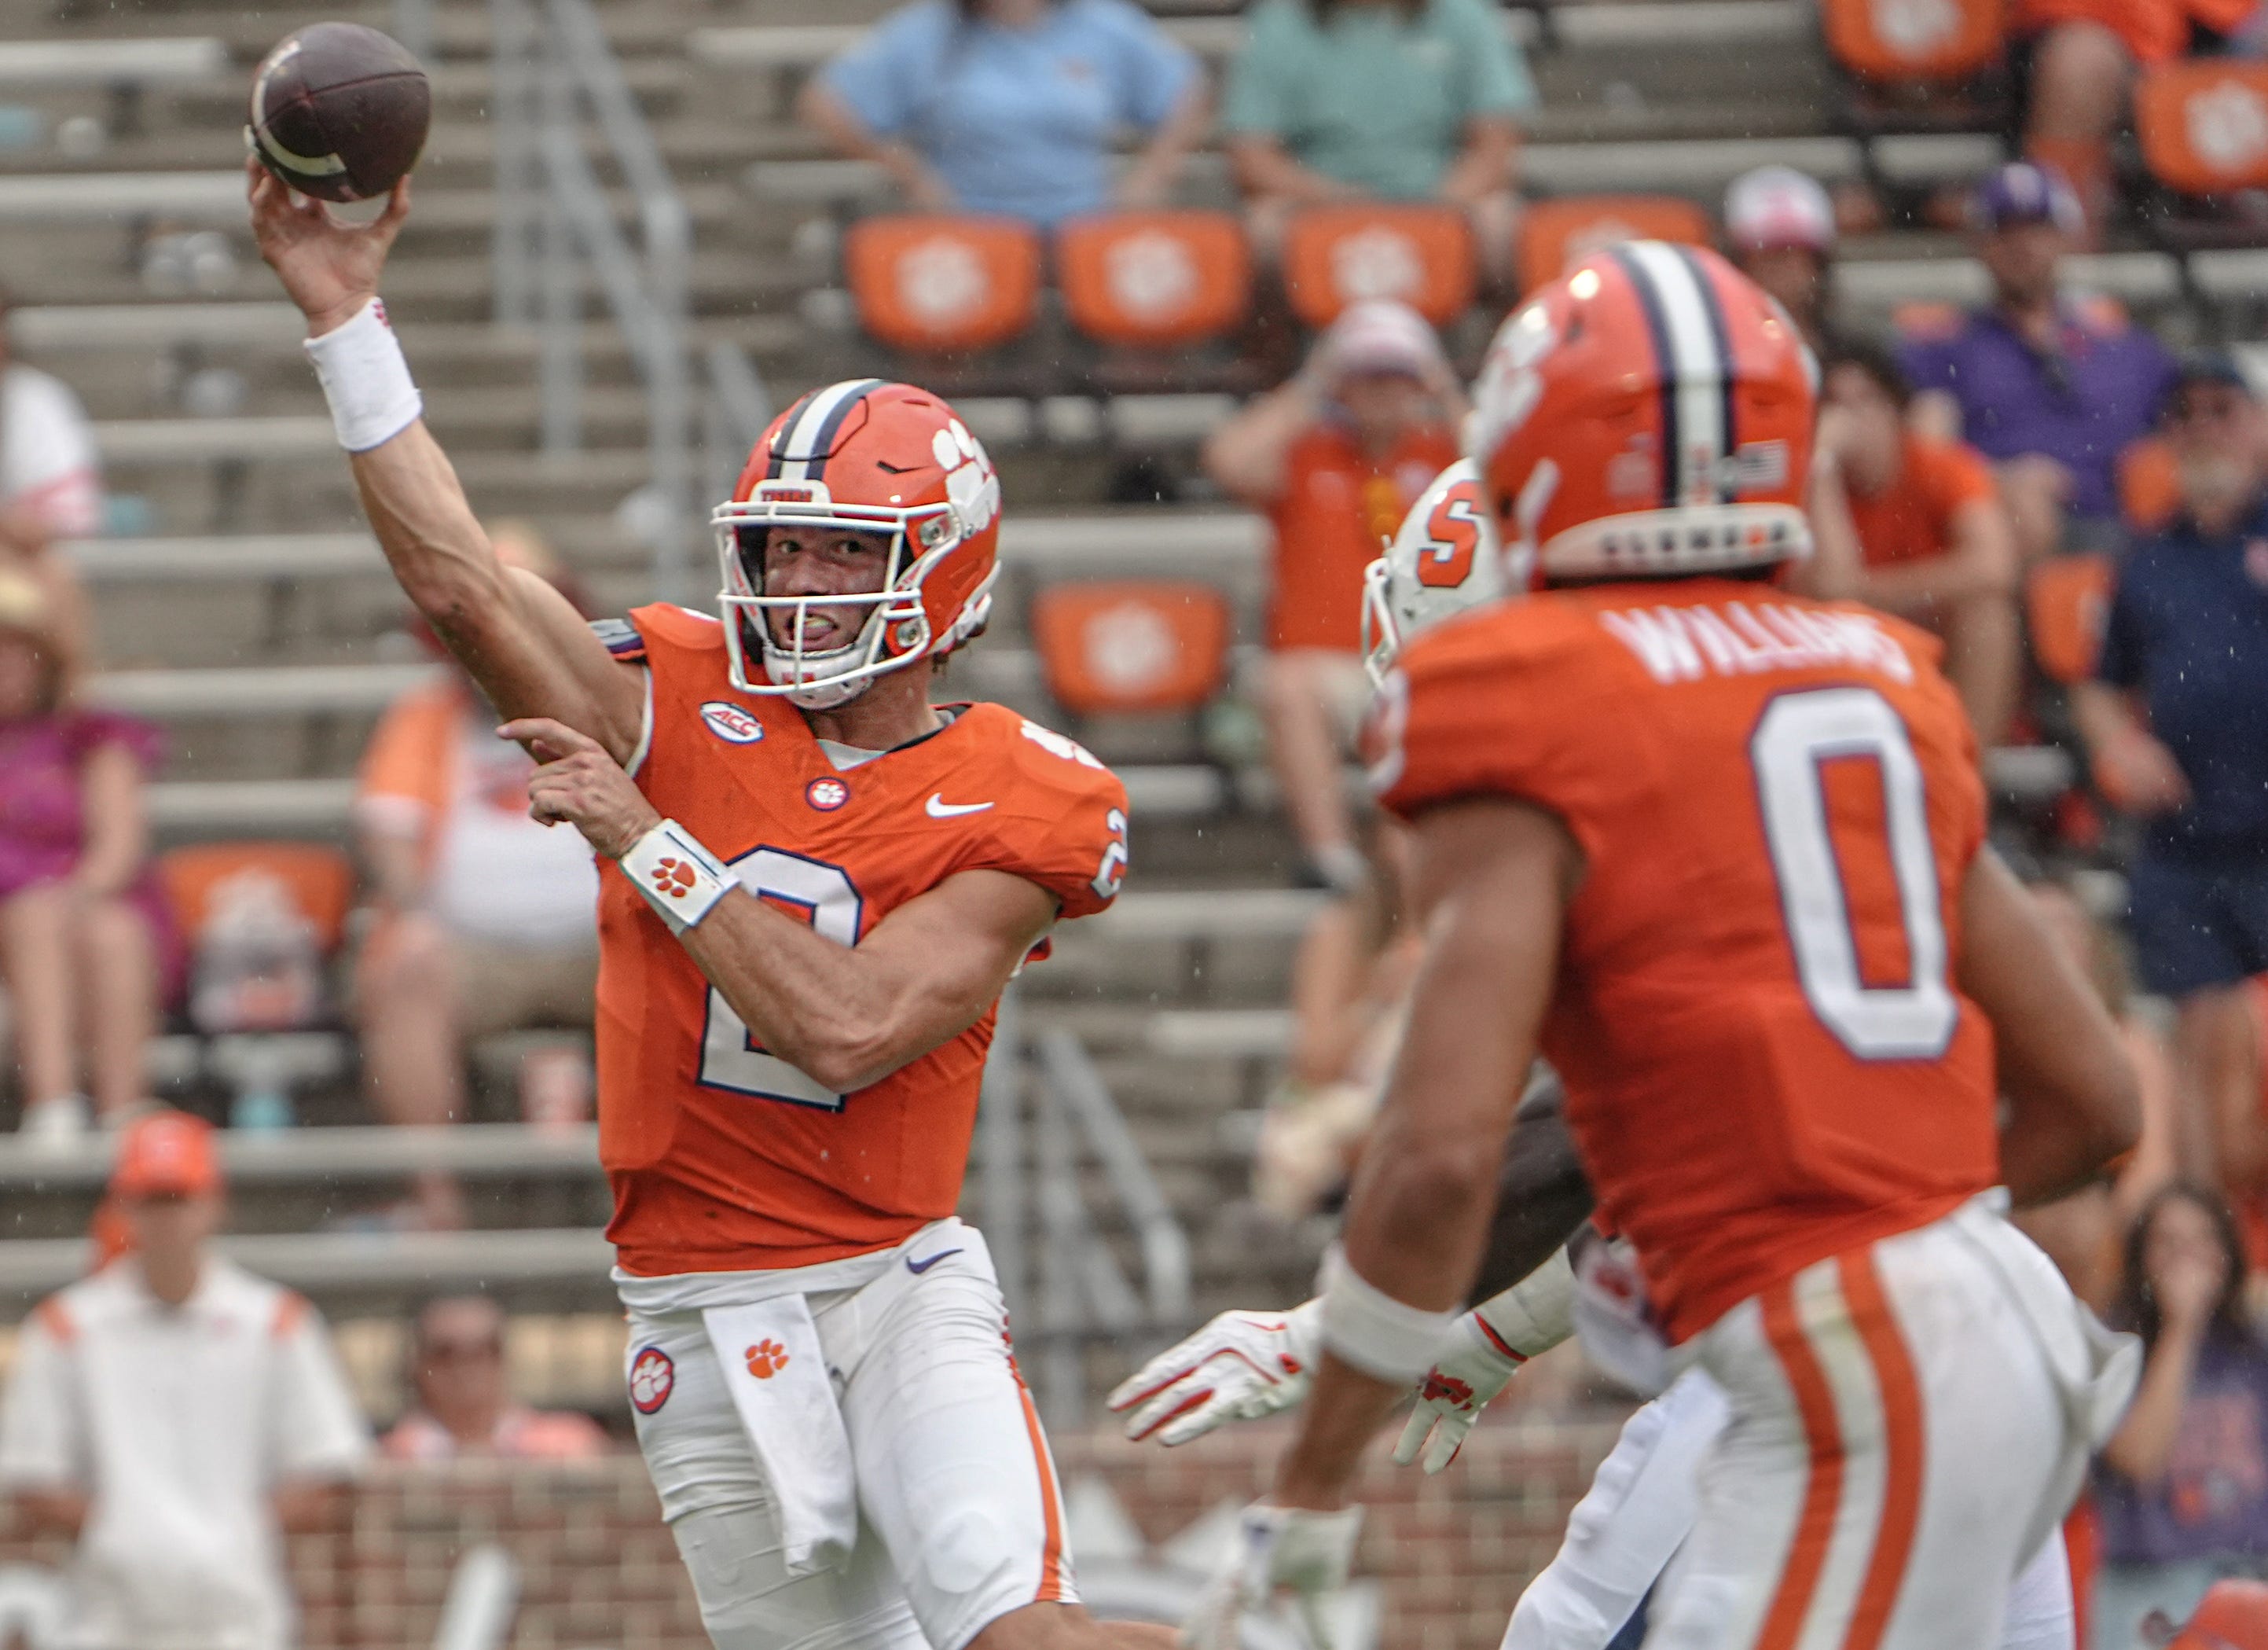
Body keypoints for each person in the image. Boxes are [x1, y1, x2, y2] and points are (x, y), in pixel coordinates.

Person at [249, 161, 1163, 1650]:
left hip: (891, 1288)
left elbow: (849, 1027)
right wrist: (347, 319)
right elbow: (468, 588)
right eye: (781, 546)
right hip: (695, 1309)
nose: (797, 582)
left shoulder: (1022, 790)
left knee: (1016, 1637)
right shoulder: (680, 690)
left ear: (946, 572)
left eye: (843, 552)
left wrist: (647, 839)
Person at [1186, 243, 2141, 1650]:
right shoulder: (1871, 671)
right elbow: (2096, 1102)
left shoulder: (1538, 695)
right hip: (1989, 1327)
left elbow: (1446, 1153)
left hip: (1845, 1368)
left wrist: (1315, 1479)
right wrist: (1878, 1201)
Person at [0, 1110, 370, 1650]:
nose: (167, 1218)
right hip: (110, 1620)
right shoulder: (66, 1329)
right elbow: (32, 1472)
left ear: (214, 1203)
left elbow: (328, 1466)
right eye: (153, 1197)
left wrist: (234, 1533)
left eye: (179, 1196)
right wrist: (128, 1533)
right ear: (123, 1206)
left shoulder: (274, 1322)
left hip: (239, 1619)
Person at [352, 521, 600, 1228]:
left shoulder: (606, 697)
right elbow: (389, 830)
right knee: (405, 961)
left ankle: (685, 1192)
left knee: (695, 952)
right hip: (472, 954)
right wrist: (416, 911)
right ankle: (438, 1204)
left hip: (610, 941)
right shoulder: (425, 713)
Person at [2074, 354, 2268, 1194]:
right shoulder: (2145, 557)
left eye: (2222, 410)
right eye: (2185, 416)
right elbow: (2098, 683)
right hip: (2188, 843)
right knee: (2198, 1048)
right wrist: (2122, 743)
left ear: (2258, 424)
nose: (2203, 429)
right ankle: (2211, 1245)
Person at [1203, 299, 1461, 892]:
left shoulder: (1441, 456)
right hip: (1327, 667)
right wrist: (1313, 383)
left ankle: (1409, 876)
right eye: (1367, 376)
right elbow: (1227, 459)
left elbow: (1503, 473)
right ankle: (1330, 858)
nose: (1381, 392)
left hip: (1418, 668)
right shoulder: (1305, 451)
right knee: (1286, 685)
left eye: (1397, 376)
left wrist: (1443, 389)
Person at [1900, 162, 2177, 564]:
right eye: (2005, 229)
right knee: (2019, 516)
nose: (2022, 244)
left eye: (2037, 227)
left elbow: (2198, 423)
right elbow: (1926, 457)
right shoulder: (1948, 349)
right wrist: (1998, 480)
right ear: (1980, 244)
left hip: (2136, 527)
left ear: (2067, 238)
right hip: (2021, 529)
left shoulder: (2122, 344)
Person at [0, 571, 175, 1142]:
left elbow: (117, 847)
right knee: (33, 918)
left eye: (16, 651)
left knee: (110, 933)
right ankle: (52, 1100)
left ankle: (121, 1109)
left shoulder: (92, 736)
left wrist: (70, 895)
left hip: (82, 904)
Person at [799, 0, 1206, 226]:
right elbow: (825, 103)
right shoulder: (928, 29)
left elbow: (1187, 91)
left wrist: (1153, 176)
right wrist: (907, 171)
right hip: (969, 228)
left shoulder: (1102, 22)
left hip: (1086, 225)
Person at [1220, 0, 1538, 283]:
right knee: (1262, 229)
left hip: (1443, 198)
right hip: (1315, 203)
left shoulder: (1464, 12)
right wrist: (1331, 197)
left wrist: (1440, 205)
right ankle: (1271, 350)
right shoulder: (1279, 20)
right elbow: (1252, 156)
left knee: (1500, 223)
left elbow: (1496, 144)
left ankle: (1502, 346)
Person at [1808, 342, 2024, 747]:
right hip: (1849, 642)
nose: (1852, 422)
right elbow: (1832, 593)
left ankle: (1968, 772)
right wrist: (1820, 468)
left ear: (1895, 412)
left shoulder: (1939, 465)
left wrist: (1876, 593)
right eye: (1835, 406)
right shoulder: (1812, 484)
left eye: (1866, 402)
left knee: (1988, 617)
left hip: (1925, 624)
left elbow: (1995, 566)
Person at [2093, 1185, 2268, 1648]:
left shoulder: (2251, 1346)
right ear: (2140, 1259)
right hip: (2147, 1594)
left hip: (2249, 1579)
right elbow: (2137, 1460)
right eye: (2168, 1242)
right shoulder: (2117, 1345)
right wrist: (2182, 1326)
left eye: (2204, 1239)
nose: (2187, 1257)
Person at [0, 284, 99, 687]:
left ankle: (56, 734)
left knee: (54, 580)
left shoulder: (35, 401)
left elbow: (56, 524)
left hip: (11, 570)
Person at [381, 1292, 611, 1461]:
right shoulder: (391, 1458)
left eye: (483, 1351)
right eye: (446, 1353)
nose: (465, 1368)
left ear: (504, 1359)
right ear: (419, 1364)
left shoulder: (566, 1443)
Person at [1723, 164, 1838, 355]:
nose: (1779, 270)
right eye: (1768, 255)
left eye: (1790, 254)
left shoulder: (1853, 362)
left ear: (1817, 265)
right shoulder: (1724, 352)